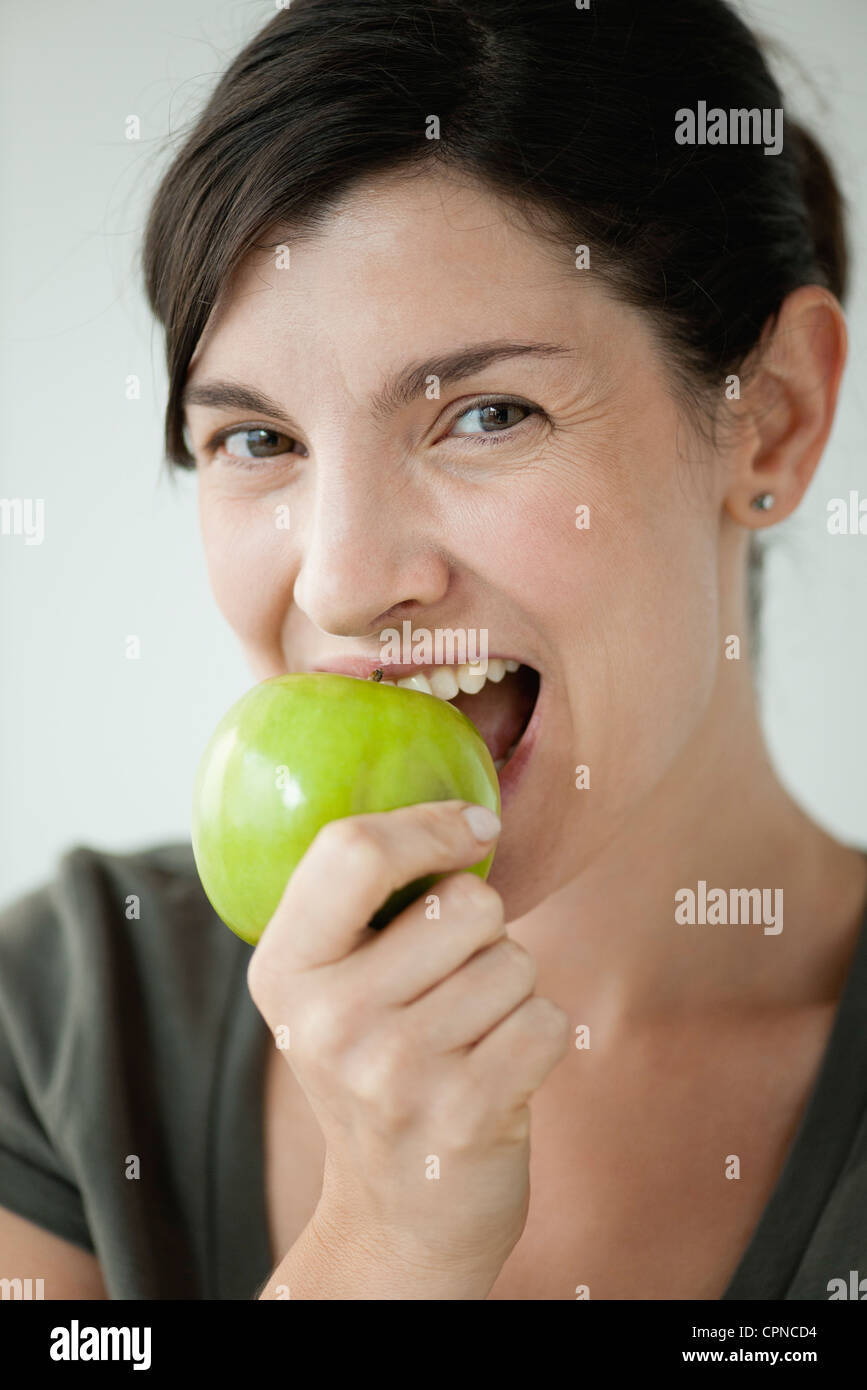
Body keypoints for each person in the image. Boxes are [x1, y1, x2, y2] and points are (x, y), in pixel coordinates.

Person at [1, 0, 865, 1301]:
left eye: (486, 412)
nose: (343, 581)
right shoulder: (64, 1025)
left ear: (775, 420)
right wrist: (382, 1250)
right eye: (258, 440)